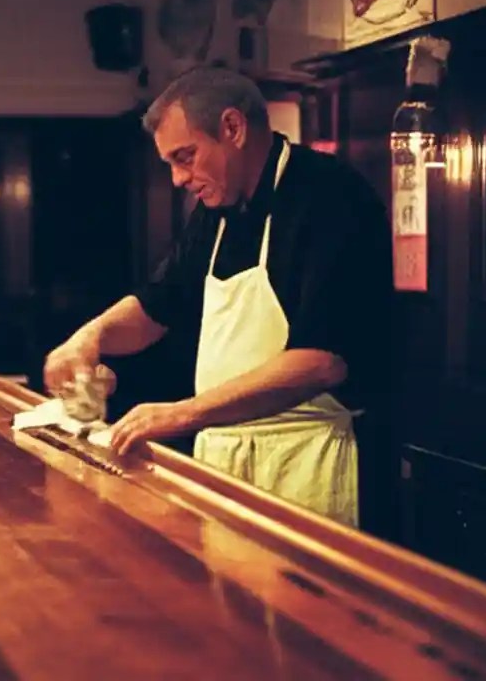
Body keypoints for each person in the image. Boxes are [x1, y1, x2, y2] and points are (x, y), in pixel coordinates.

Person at [43, 66, 391, 529]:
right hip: (227, 455)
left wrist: (184, 412)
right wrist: (89, 339)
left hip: (310, 457)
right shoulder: (217, 212)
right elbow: (156, 305)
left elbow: (321, 362)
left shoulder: (330, 197)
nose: (177, 179)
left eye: (185, 157)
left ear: (233, 128)